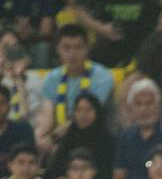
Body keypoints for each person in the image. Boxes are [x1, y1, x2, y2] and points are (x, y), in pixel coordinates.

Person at [36, 24, 114, 154]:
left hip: (94, 138)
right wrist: (39, 138)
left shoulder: (103, 77)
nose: (72, 53)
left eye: (78, 47)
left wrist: (53, 138)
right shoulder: (52, 78)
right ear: (58, 50)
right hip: (61, 139)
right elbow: (47, 115)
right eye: (66, 48)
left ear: (87, 49)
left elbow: (85, 117)